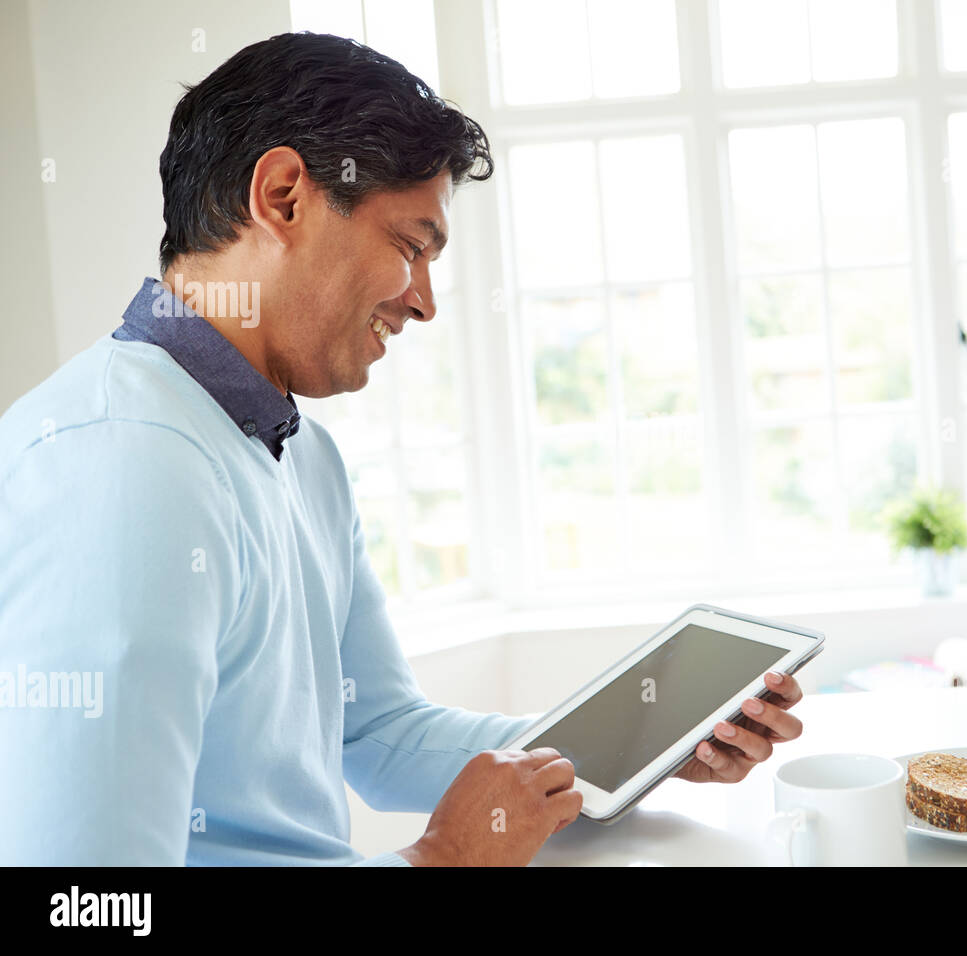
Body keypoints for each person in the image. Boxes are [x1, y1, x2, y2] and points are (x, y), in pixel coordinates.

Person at [0, 31, 804, 866]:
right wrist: (441, 859)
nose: (422, 303)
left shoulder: (299, 452)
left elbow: (377, 732)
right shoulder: (114, 466)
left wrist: (633, 751)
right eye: (410, 247)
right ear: (281, 197)